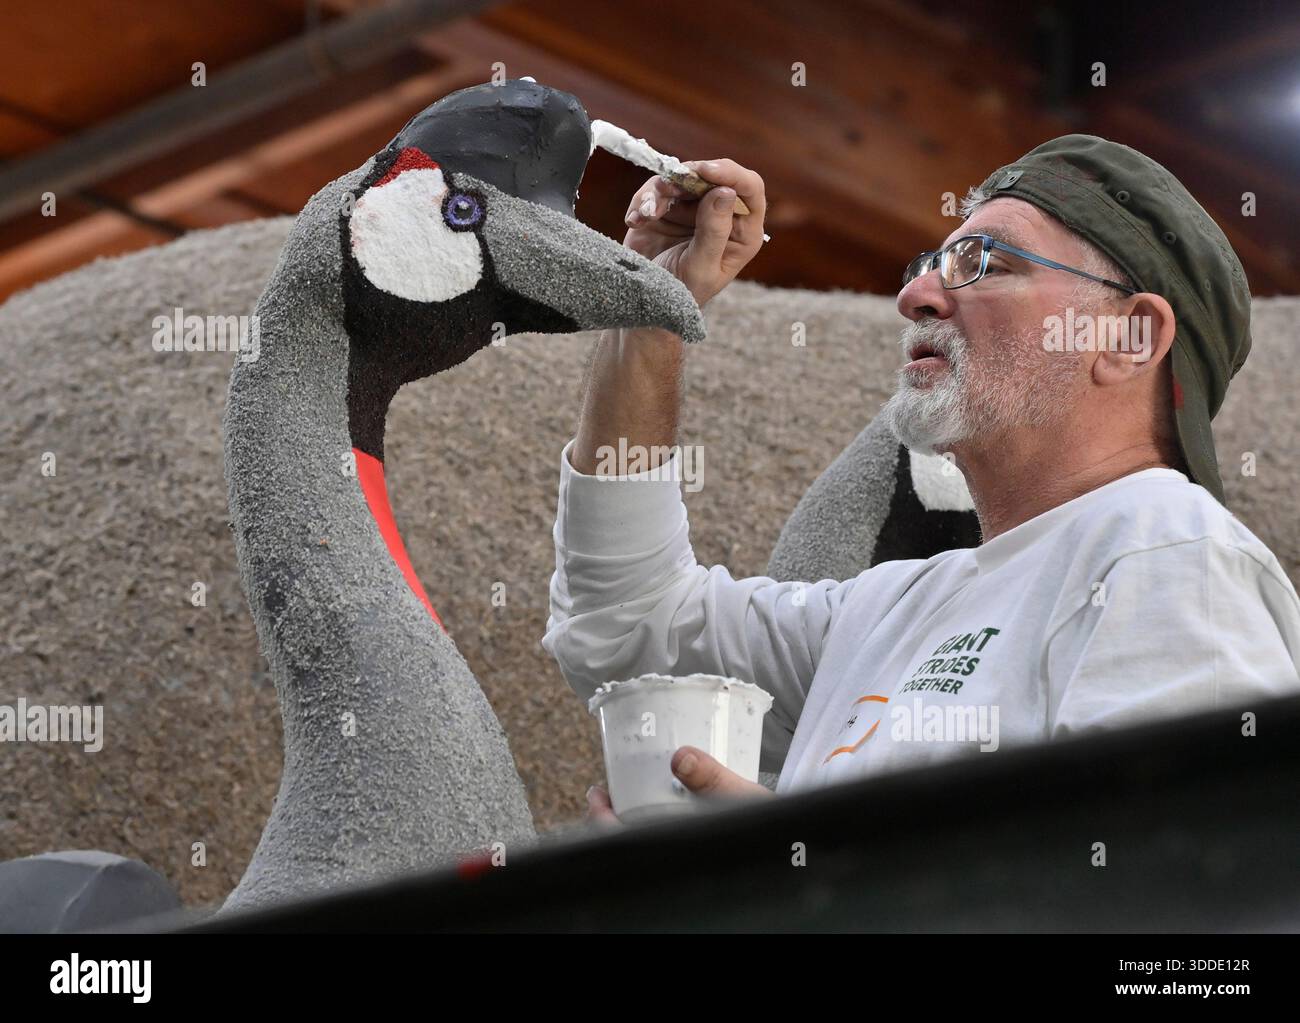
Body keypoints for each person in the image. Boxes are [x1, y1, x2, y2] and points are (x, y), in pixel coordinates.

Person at [540, 137, 1300, 824]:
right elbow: (630, 627)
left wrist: (788, 885)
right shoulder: (891, 608)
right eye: (932, 265)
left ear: (1129, 338)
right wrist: (651, 309)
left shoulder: (1168, 555)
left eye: (986, 264)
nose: (916, 296)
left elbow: (1188, 940)